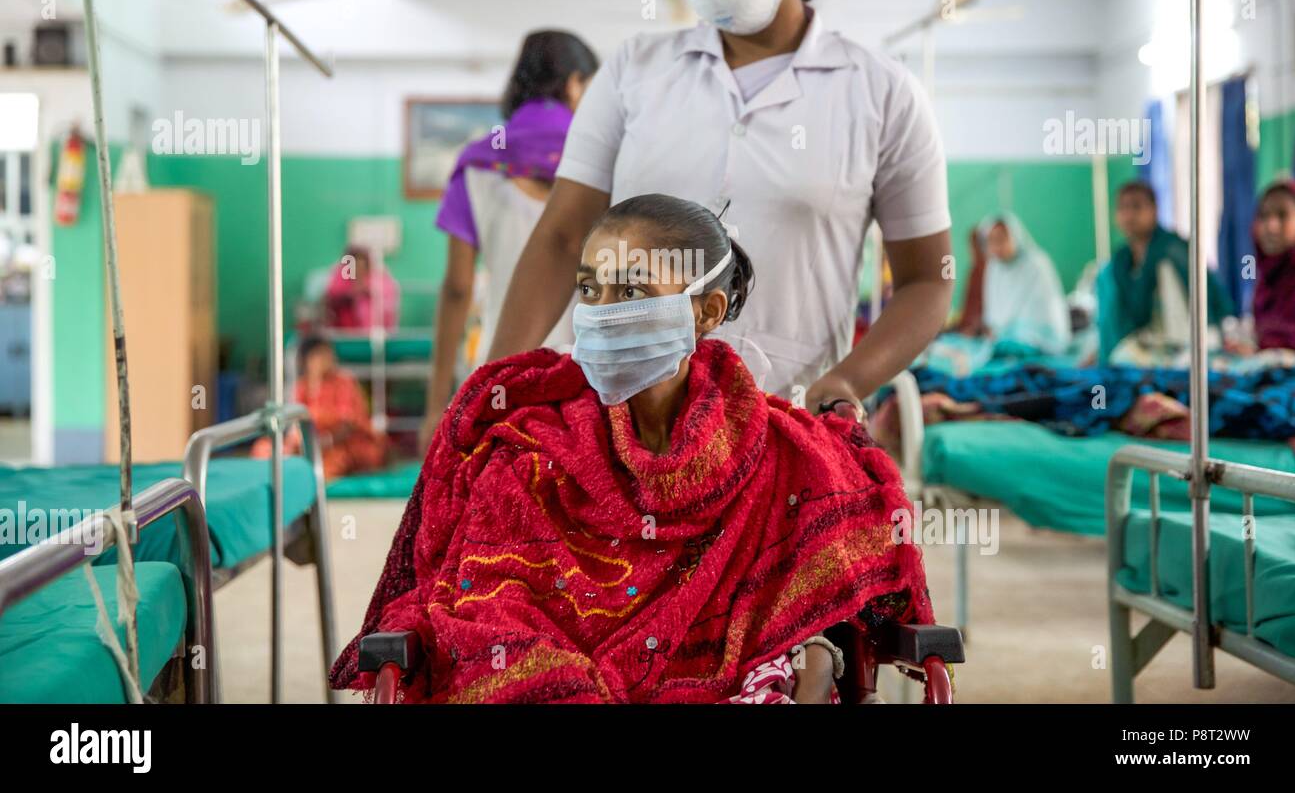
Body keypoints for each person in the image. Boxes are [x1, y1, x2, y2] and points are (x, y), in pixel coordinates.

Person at [330, 195, 934, 704]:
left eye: (632, 289)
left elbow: (861, 547)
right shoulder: (529, 450)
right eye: (590, 287)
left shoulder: (780, 452)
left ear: (705, 312)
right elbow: (484, 608)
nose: (599, 313)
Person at [482, 0, 952, 414]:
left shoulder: (881, 92)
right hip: (623, 413)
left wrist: (851, 380)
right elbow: (562, 237)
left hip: (787, 413)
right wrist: (496, 384)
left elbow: (928, 281)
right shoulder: (636, 71)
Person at [421, 30, 599, 445]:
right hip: (587, 376)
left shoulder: (477, 164)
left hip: (503, 371)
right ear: (574, 83)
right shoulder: (599, 161)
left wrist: (435, 407)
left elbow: (457, 289)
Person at [1096, 180, 1233, 365]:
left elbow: (1189, 318)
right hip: (1149, 339)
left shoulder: (1172, 251)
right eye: (1123, 208)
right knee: (1118, 357)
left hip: (1188, 340)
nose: (1129, 215)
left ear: (1154, 210)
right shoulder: (1120, 260)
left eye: (1136, 207)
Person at [252, 335, 387, 479]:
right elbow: (296, 427)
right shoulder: (301, 387)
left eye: (328, 354)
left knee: (330, 463)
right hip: (311, 444)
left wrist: (325, 442)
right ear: (306, 361)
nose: (326, 359)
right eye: (319, 355)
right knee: (264, 449)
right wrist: (298, 445)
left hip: (344, 444)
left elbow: (348, 425)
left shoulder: (343, 382)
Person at [977, 213, 1071, 356]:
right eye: (992, 241)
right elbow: (993, 316)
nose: (997, 246)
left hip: (1039, 337)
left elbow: (1045, 312)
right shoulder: (994, 268)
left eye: (1002, 239)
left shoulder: (1037, 264)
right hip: (1004, 337)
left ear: (1015, 236)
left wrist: (1018, 332)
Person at [1251, 179, 1295, 352]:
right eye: (1264, 216)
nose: (1271, 226)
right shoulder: (1266, 280)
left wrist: (1263, 348)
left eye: (1282, 215)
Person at [323, 246, 399, 331]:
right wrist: (350, 295)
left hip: (373, 333)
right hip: (343, 332)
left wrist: (369, 293)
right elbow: (331, 299)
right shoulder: (340, 278)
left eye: (362, 264)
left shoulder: (380, 280)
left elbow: (388, 307)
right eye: (354, 264)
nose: (359, 268)